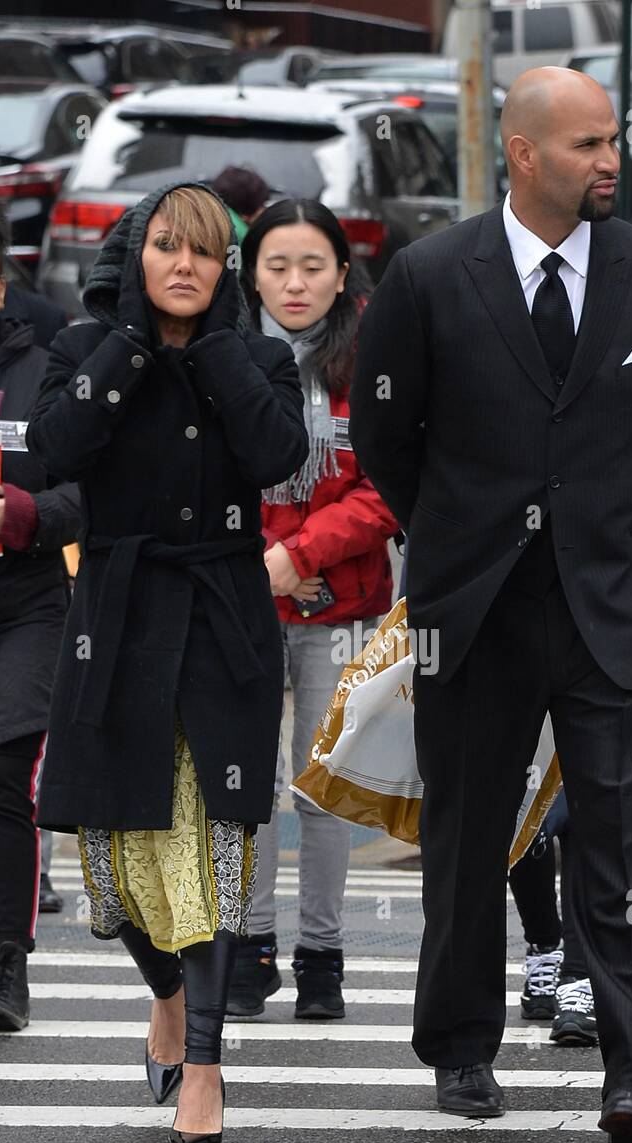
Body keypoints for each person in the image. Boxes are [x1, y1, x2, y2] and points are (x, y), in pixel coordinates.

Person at [350, 67, 632, 1143]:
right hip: (471, 609)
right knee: (466, 836)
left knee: (621, 843)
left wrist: (600, 525)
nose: (610, 160)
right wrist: (463, 533)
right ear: (521, 153)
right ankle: (461, 1046)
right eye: (587, 144)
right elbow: (386, 440)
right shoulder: (426, 276)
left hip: (611, 606)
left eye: (612, 141)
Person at [25, 180, 307, 1143]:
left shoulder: (259, 356)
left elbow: (276, 455)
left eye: (204, 251)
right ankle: (169, 997)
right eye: (164, 247)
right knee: (112, 869)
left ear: (226, 266)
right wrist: (133, 341)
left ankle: (207, 1067)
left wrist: (215, 344)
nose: (183, 266)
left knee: (213, 852)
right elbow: (52, 448)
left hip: (223, 623)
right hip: (116, 622)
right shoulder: (86, 350)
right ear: (134, 257)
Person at [228, 198, 397, 1020]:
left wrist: (297, 555)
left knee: (324, 787)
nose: (294, 284)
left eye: (312, 267)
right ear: (251, 275)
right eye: (277, 267)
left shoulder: (374, 355)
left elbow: (388, 484)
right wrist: (260, 561)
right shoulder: (223, 353)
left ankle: (322, 957)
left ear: (341, 274)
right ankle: (251, 946)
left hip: (342, 603)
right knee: (247, 783)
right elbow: (204, 475)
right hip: (241, 601)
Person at [0, 186, 80, 1026]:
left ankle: (8, 962)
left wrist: (22, 513)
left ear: (5, 287)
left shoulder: (46, 372)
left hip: (21, 605)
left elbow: (89, 494)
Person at [515, 485, 632, 1045]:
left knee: (589, 817)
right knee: (519, 815)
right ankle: (545, 945)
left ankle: (579, 974)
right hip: (508, 624)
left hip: (605, 633)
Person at [211, 166, 270, 249]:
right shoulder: (246, 241)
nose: (265, 210)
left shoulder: (206, 218)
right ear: (244, 215)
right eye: (263, 205)